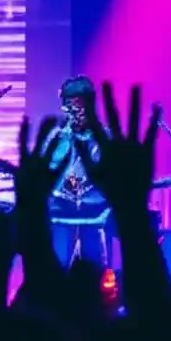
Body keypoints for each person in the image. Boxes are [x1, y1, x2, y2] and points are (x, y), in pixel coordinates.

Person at [47, 76, 112, 268]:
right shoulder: (58, 137)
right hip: (60, 212)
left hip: (95, 213)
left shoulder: (104, 137)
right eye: (71, 106)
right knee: (56, 269)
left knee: (95, 272)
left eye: (82, 105)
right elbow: (46, 173)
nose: (77, 112)